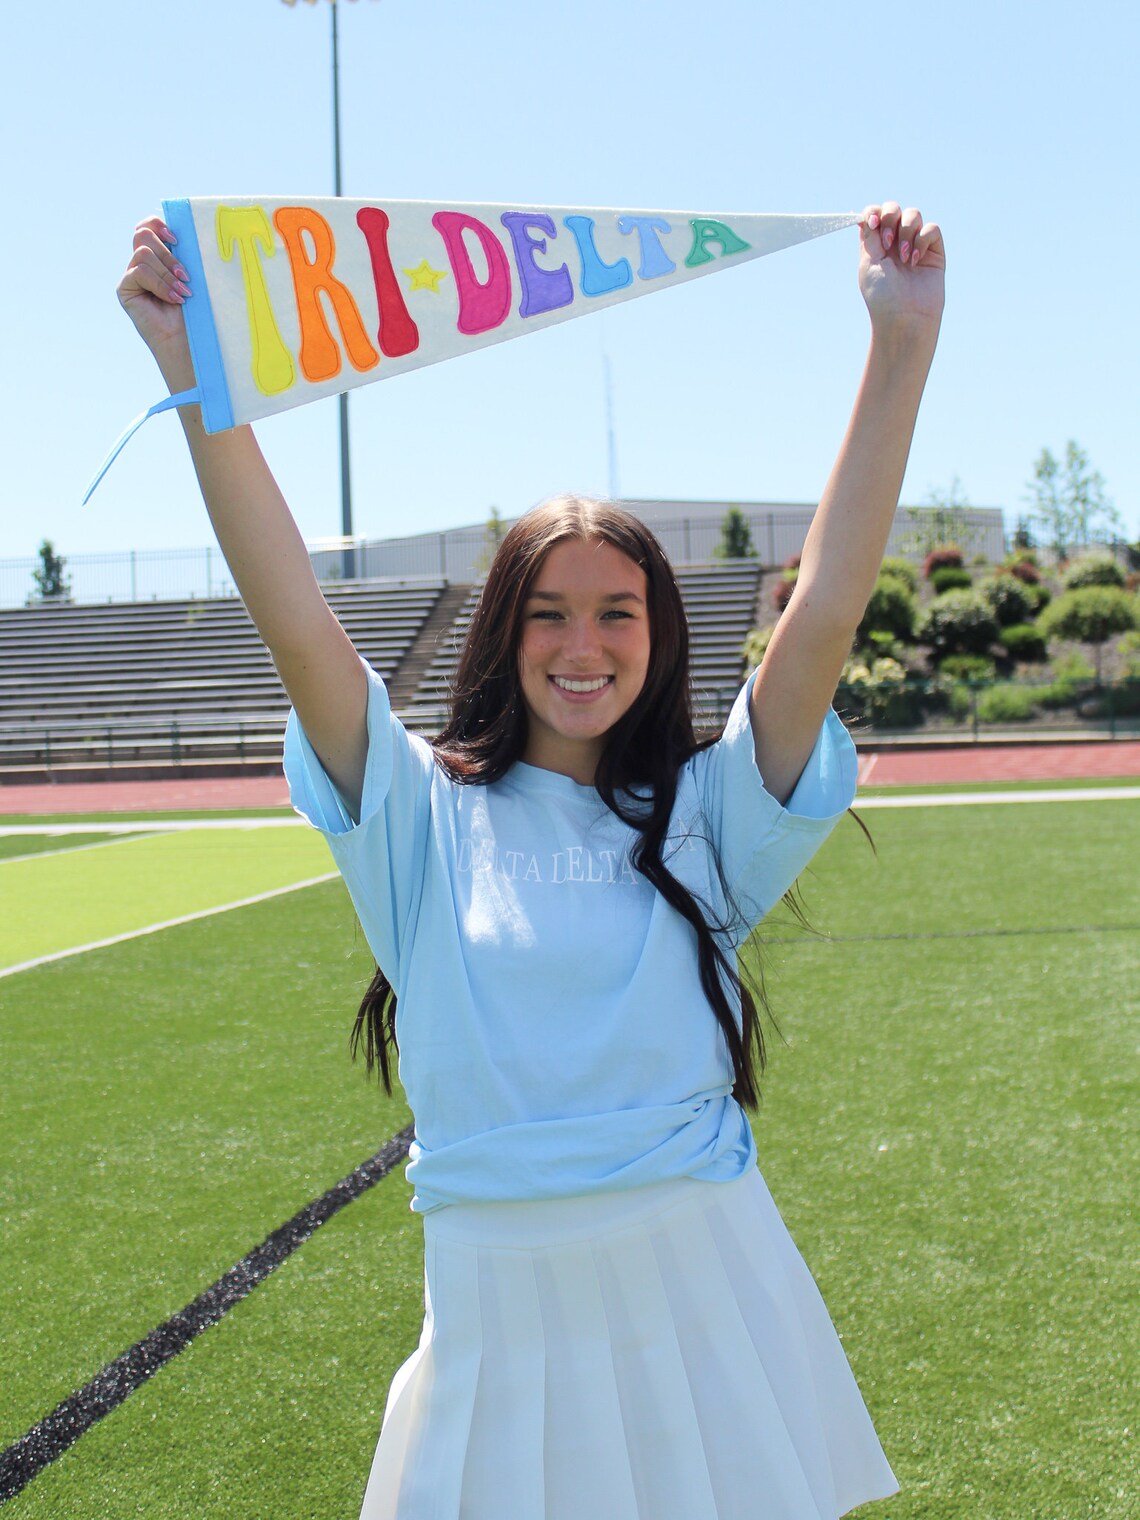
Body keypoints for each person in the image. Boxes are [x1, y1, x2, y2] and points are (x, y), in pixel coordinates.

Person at [118, 198, 943, 1519]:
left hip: (709, 1287)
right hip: (498, 1313)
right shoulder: (415, 817)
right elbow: (289, 604)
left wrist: (901, 343)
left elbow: (831, 599)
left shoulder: (711, 814)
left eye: (618, 614)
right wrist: (196, 379)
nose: (582, 645)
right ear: (502, 637)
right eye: (548, 614)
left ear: (658, 639)